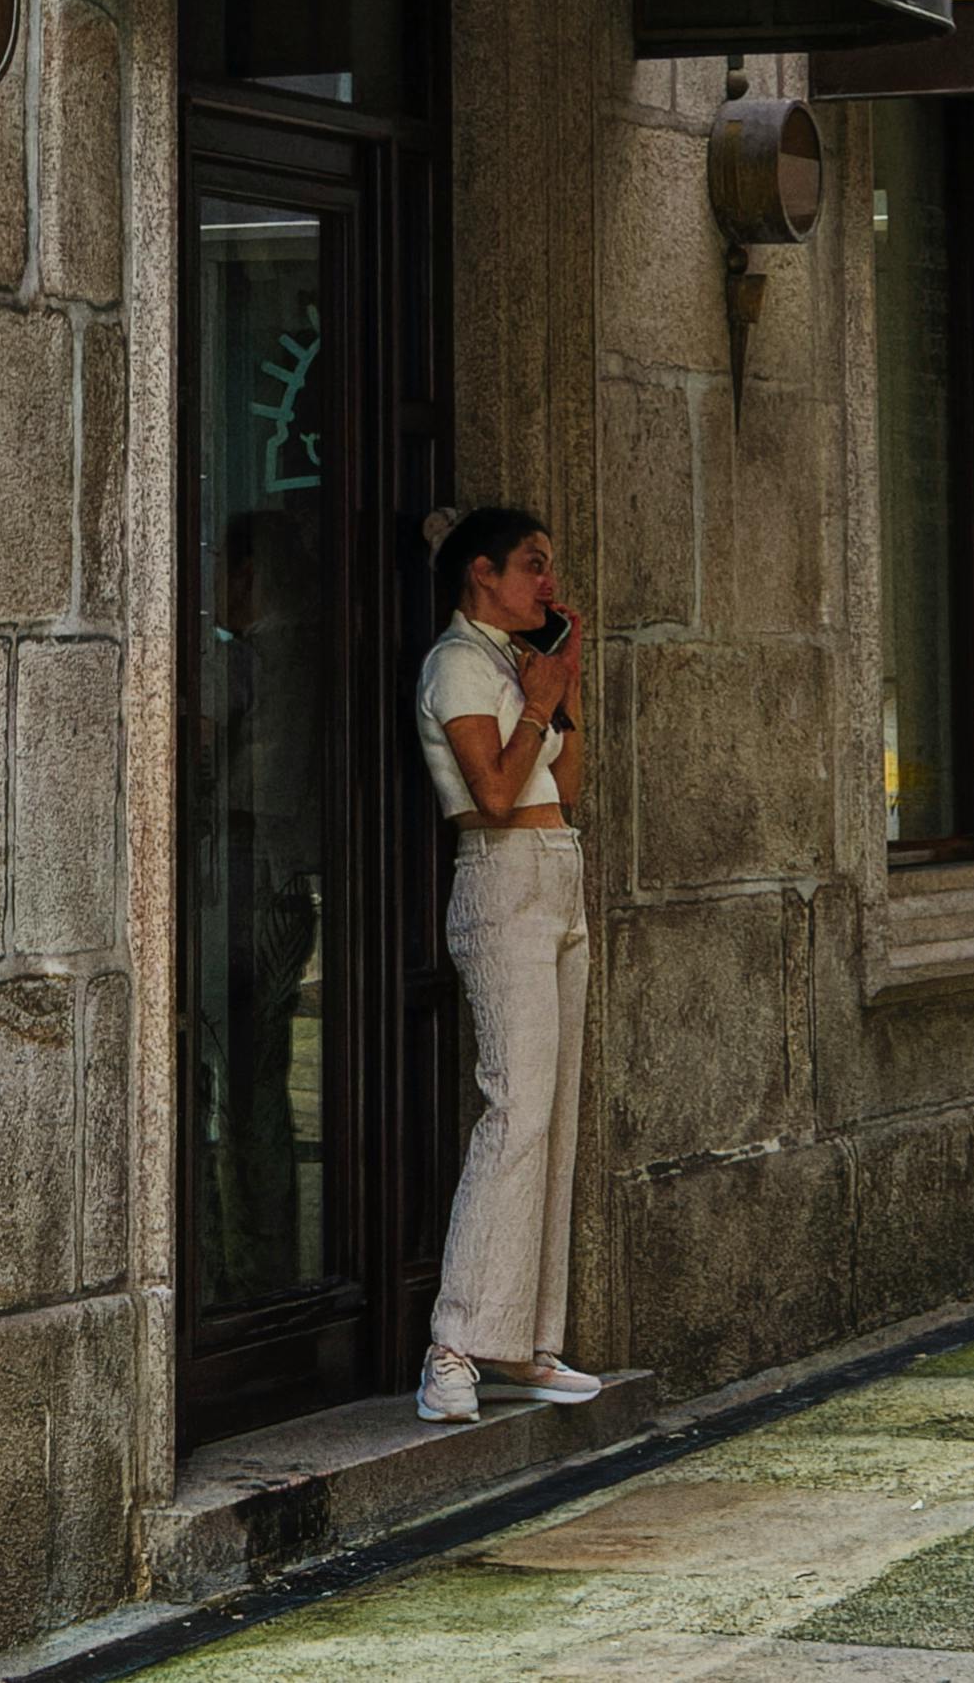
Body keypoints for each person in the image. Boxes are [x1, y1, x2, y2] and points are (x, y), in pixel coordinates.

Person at [413, 505, 603, 1427]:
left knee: (555, 1113)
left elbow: (563, 789)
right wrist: (536, 703)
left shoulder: (514, 665)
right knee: (516, 1106)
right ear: (482, 573)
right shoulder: (455, 662)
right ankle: (453, 1346)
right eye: (533, 566)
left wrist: (560, 691)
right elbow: (491, 795)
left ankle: (526, 1341)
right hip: (501, 880)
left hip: (558, 874)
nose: (549, 585)